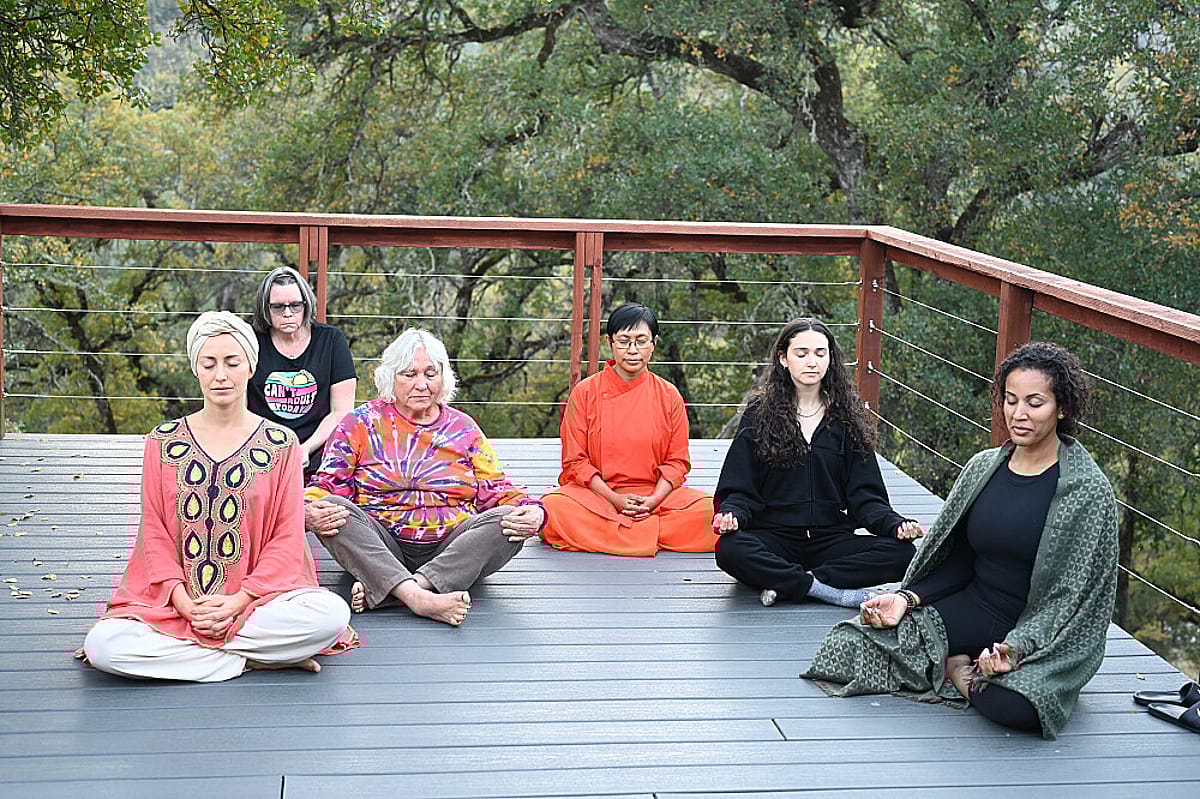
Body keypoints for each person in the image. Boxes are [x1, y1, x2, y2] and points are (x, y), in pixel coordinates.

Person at [803, 342, 1119, 739]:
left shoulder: (1086, 491)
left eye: (1034, 403)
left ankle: (958, 672)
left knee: (1021, 704)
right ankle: (965, 667)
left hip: (1041, 634)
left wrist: (1015, 649)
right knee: (847, 648)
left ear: (1063, 408)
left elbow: (1070, 600)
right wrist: (906, 599)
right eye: (1010, 400)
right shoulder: (983, 468)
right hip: (977, 605)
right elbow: (957, 558)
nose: (1018, 414)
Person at [82, 312, 356, 682]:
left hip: (257, 602)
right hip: (176, 605)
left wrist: (239, 600)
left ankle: (197, 657)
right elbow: (155, 535)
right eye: (209, 364)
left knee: (330, 614)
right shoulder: (161, 442)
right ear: (196, 369)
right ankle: (254, 659)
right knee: (105, 645)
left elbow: (287, 537)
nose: (220, 375)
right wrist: (184, 603)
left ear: (250, 368)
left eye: (232, 362)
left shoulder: (282, 445)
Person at [304, 328, 545, 626]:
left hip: (452, 546)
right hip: (381, 543)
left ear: (443, 377)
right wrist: (306, 512)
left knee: (508, 520)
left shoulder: (463, 428)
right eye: (409, 374)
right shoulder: (359, 423)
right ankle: (420, 597)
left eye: (431, 374)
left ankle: (401, 589)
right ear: (390, 377)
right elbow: (327, 485)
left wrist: (535, 511)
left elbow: (495, 489)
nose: (421, 384)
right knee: (332, 509)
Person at [712, 318, 923, 608]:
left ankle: (790, 583)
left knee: (903, 554)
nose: (812, 362)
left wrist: (894, 524)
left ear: (831, 359)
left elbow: (866, 497)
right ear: (783, 359)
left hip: (830, 540)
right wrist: (732, 513)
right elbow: (739, 486)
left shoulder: (847, 418)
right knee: (730, 550)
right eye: (802, 354)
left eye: (820, 353)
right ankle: (826, 590)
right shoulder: (759, 414)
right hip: (774, 537)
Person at [541, 302, 716, 556]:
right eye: (624, 341)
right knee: (553, 508)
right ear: (610, 343)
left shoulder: (669, 395)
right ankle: (650, 534)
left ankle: (620, 534)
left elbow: (677, 462)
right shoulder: (585, 393)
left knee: (713, 512)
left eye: (641, 341)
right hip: (599, 498)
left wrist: (654, 499)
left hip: (657, 500)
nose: (632, 350)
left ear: (653, 344)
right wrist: (615, 499)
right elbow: (575, 462)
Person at [247, 266, 357, 477]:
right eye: (278, 307)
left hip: (321, 454)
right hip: (261, 454)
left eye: (296, 306)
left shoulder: (331, 340)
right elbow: (239, 408)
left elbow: (341, 411)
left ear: (306, 305)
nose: (288, 313)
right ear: (265, 308)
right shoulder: (252, 342)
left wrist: (305, 449)